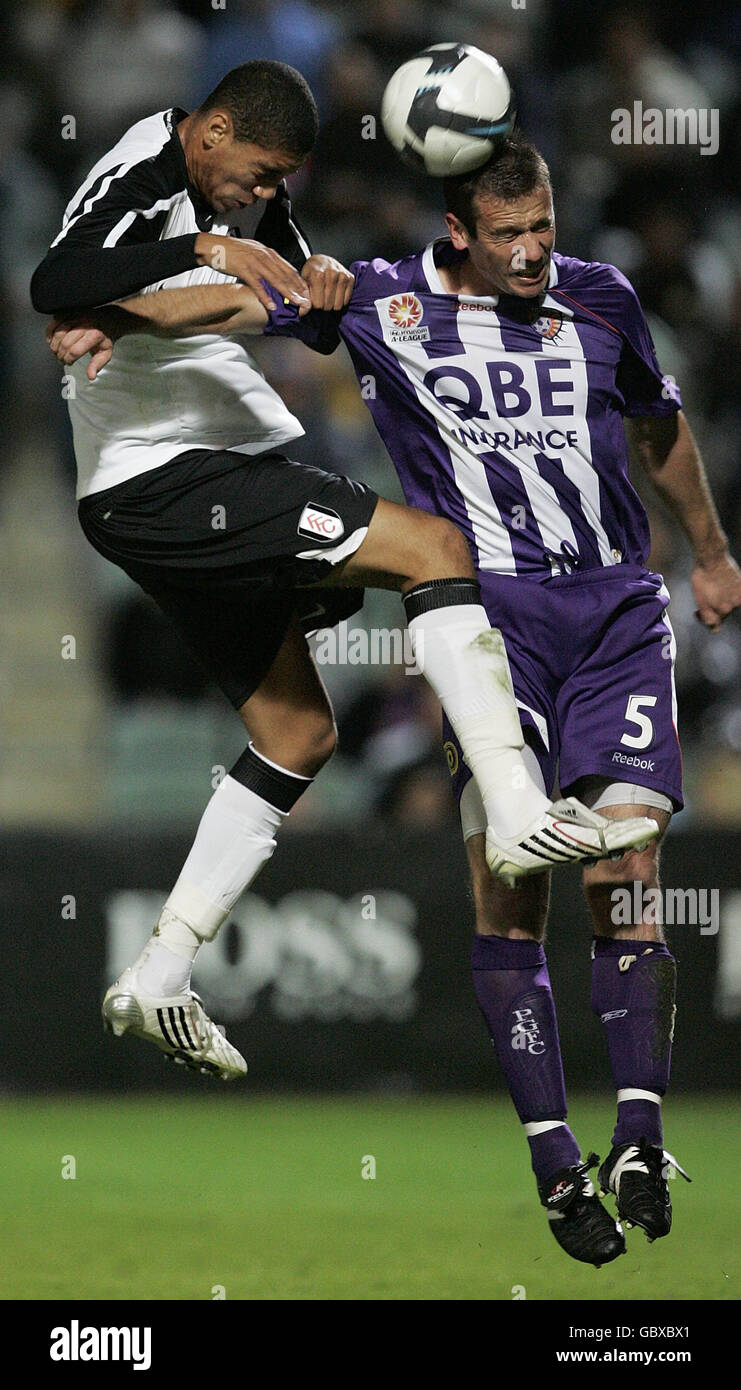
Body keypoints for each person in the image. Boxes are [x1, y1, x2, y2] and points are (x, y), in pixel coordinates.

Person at [49, 132, 741, 1267]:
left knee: (628, 862)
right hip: (490, 620)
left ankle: (642, 1134)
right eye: (510, 235)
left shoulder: (604, 298)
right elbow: (225, 306)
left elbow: (657, 428)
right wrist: (114, 316)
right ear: (459, 231)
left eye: (545, 232)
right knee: (510, 891)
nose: (532, 255)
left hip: (617, 604)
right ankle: (554, 1158)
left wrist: (709, 552)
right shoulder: (377, 300)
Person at [33, 69, 657, 1094]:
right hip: (172, 474)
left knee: (297, 734)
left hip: (184, 480)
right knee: (433, 547)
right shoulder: (142, 165)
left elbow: (285, 306)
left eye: (278, 182)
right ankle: (512, 805)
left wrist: (309, 288)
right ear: (213, 130)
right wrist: (192, 254)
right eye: (258, 174)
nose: (260, 193)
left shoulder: (255, 205)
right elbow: (52, 284)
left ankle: (160, 968)